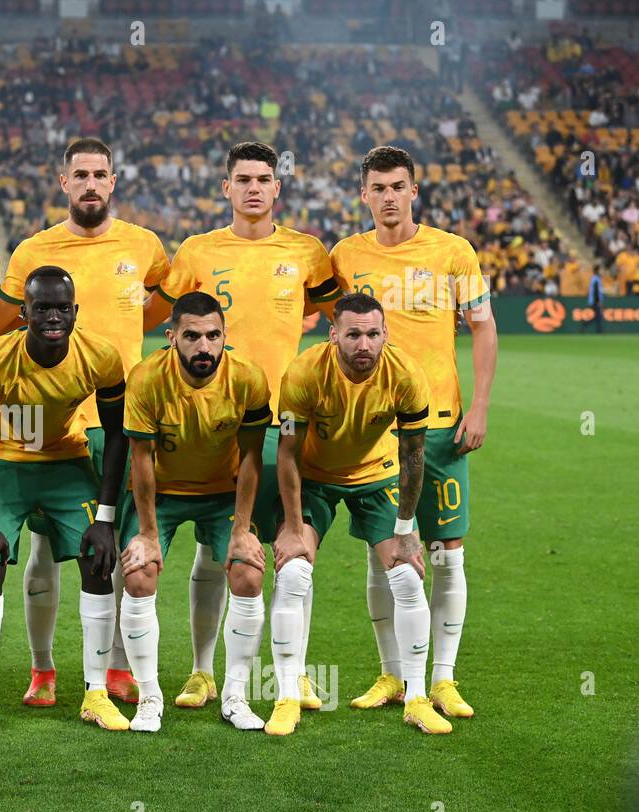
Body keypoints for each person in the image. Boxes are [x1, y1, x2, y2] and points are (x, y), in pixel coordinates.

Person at [145, 141, 342, 712]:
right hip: (214, 422)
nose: (253, 187)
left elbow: (346, 318)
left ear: (278, 187)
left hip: (285, 424)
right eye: (242, 179)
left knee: (292, 550)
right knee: (217, 550)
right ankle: (203, 673)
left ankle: (294, 671)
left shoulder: (307, 253)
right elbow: (156, 316)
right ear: (225, 188)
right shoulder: (198, 252)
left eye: (263, 178)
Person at [0, 137, 169, 708]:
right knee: (42, 552)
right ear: (64, 183)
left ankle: (109, 670)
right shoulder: (35, 249)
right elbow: (4, 319)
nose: (90, 183)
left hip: (120, 423)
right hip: (49, 424)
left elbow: (157, 308)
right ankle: (42, 669)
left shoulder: (145, 246)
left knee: (105, 550)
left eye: (100, 174)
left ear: (113, 181)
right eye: (79, 174)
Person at [331, 145, 496, 720]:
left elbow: (482, 325)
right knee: (385, 557)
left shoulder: (453, 252)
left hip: (441, 422)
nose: (388, 197)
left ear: (413, 191)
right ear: (364, 195)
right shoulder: (345, 256)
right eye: (377, 188)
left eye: (397, 186)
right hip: (373, 430)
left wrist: (478, 406)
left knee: (448, 553)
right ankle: (394, 675)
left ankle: (444, 678)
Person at [0, 265, 130, 734]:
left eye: (62, 308)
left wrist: (107, 518)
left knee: (98, 558)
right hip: (5, 460)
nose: (53, 317)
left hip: (64, 461)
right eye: (42, 308)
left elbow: (117, 436)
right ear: (23, 313)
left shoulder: (101, 356)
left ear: (76, 312)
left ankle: (95, 693)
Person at [269, 292, 450, 736]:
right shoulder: (304, 373)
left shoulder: (406, 374)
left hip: (377, 474)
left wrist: (406, 531)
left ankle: (416, 696)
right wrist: (293, 528)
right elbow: (287, 453)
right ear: (334, 336)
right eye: (353, 334)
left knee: (407, 574)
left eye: (373, 334)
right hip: (313, 477)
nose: (364, 344)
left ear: (385, 334)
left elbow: (413, 454)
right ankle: (289, 693)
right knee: (293, 573)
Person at [119, 292, 271, 732]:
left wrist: (242, 528)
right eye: (191, 336)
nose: (203, 347)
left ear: (225, 336)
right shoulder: (147, 378)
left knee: (249, 572)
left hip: (222, 491)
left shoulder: (247, 378)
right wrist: (147, 533)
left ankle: (235, 695)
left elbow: (251, 456)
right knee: (139, 572)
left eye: (212, 336)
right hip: (162, 492)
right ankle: (149, 698)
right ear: (171, 338)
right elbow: (141, 459)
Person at [586, 264, 604, 333]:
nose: (602, 271)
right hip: (595, 301)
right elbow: (596, 291)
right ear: (598, 270)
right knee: (598, 316)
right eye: (601, 270)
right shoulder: (596, 279)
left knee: (597, 316)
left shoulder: (595, 278)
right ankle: (600, 331)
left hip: (594, 300)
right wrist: (598, 301)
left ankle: (585, 324)